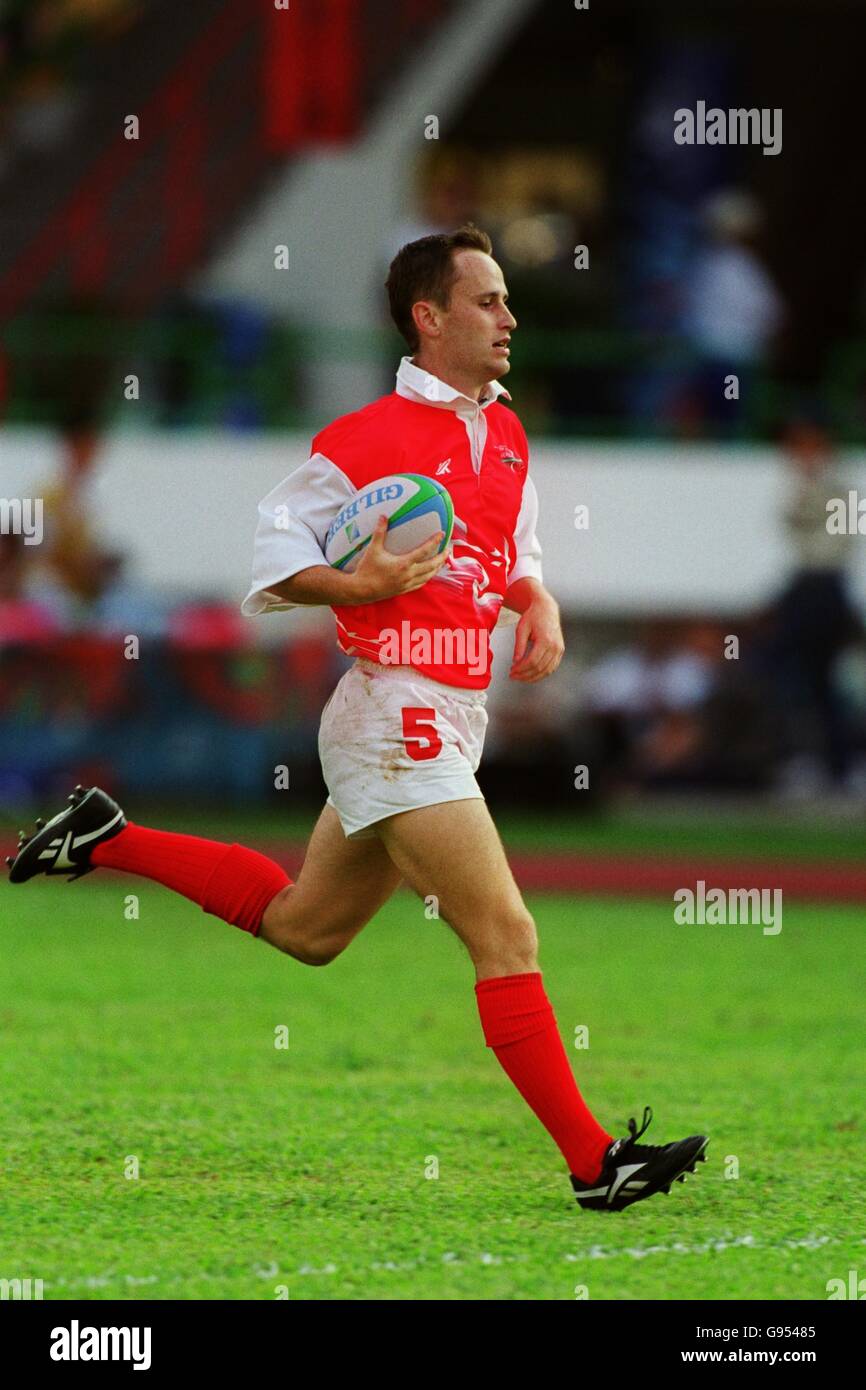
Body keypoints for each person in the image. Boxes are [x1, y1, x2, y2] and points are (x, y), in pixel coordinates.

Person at [7, 225, 707, 1212]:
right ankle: (596, 1163)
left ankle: (104, 838)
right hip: (394, 711)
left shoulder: (501, 431)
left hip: (449, 713)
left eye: (506, 301)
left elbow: (514, 553)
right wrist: (355, 578)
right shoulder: (363, 440)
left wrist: (535, 603)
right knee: (505, 934)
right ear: (428, 318)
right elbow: (271, 560)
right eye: (487, 300)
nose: (508, 318)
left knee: (308, 927)